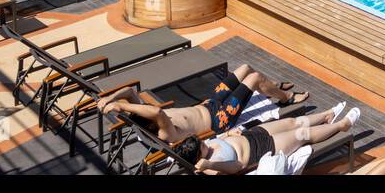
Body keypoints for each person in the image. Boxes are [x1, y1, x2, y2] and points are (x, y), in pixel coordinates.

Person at [97, 65, 310, 140]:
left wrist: (111, 98)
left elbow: (129, 91)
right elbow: (158, 113)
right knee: (253, 79)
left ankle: (271, 85)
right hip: (220, 119)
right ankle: (287, 98)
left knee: (245, 68)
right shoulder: (163, 131)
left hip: (209, 103)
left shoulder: (145, 118)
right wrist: (122, 106)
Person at [177, 103, 362, 174]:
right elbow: (237, 167)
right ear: (198, 157)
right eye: (201, 146)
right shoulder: (210, 168)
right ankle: (341, 125)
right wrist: (209, 165)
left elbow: (219, 139)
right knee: (302, 135)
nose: (204, 143)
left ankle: (327, 115)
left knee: (292, 121)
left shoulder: (205, 146)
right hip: (261, 151)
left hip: (253, 135)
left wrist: (227, 134)